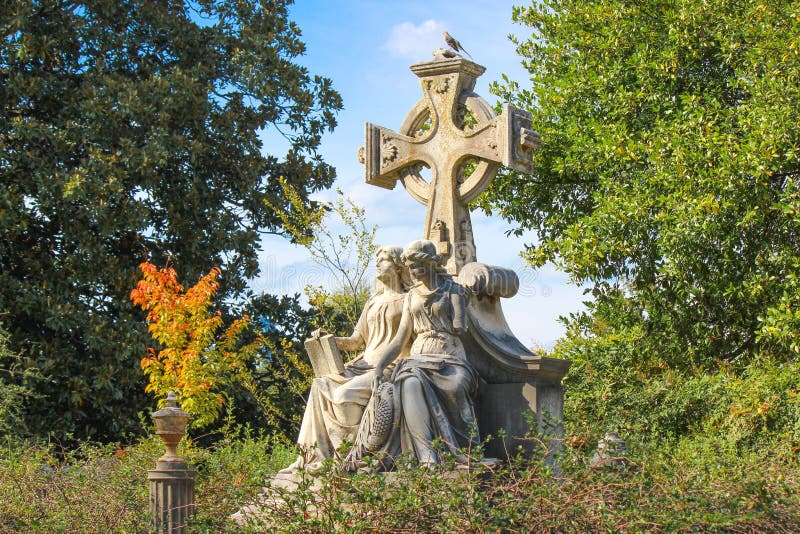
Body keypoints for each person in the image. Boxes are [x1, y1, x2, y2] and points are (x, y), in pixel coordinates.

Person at [280, 246, 410, 473]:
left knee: (343, 394)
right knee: (319, 385)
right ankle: (311, 456)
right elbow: (356, 341)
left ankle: (348, 456)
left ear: (398, 266)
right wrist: (330, 339)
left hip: (388, 367)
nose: (378, 264)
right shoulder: (373, 301)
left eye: (384, 259)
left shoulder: (408, 300)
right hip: (362, 364)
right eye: (377, 259)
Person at [369, 239, 479, 467]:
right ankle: (426, 454)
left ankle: (461, 450)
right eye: (409, 267)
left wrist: (460, 301)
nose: (412, 272)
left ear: (430, 264)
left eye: (417, 265)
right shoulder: (411, 297)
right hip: (419, 359)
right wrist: (380, 367)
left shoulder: (453, 290)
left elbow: (460, 327)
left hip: (450, 356)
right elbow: (400, 340)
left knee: (457, 387)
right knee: (409, 383)